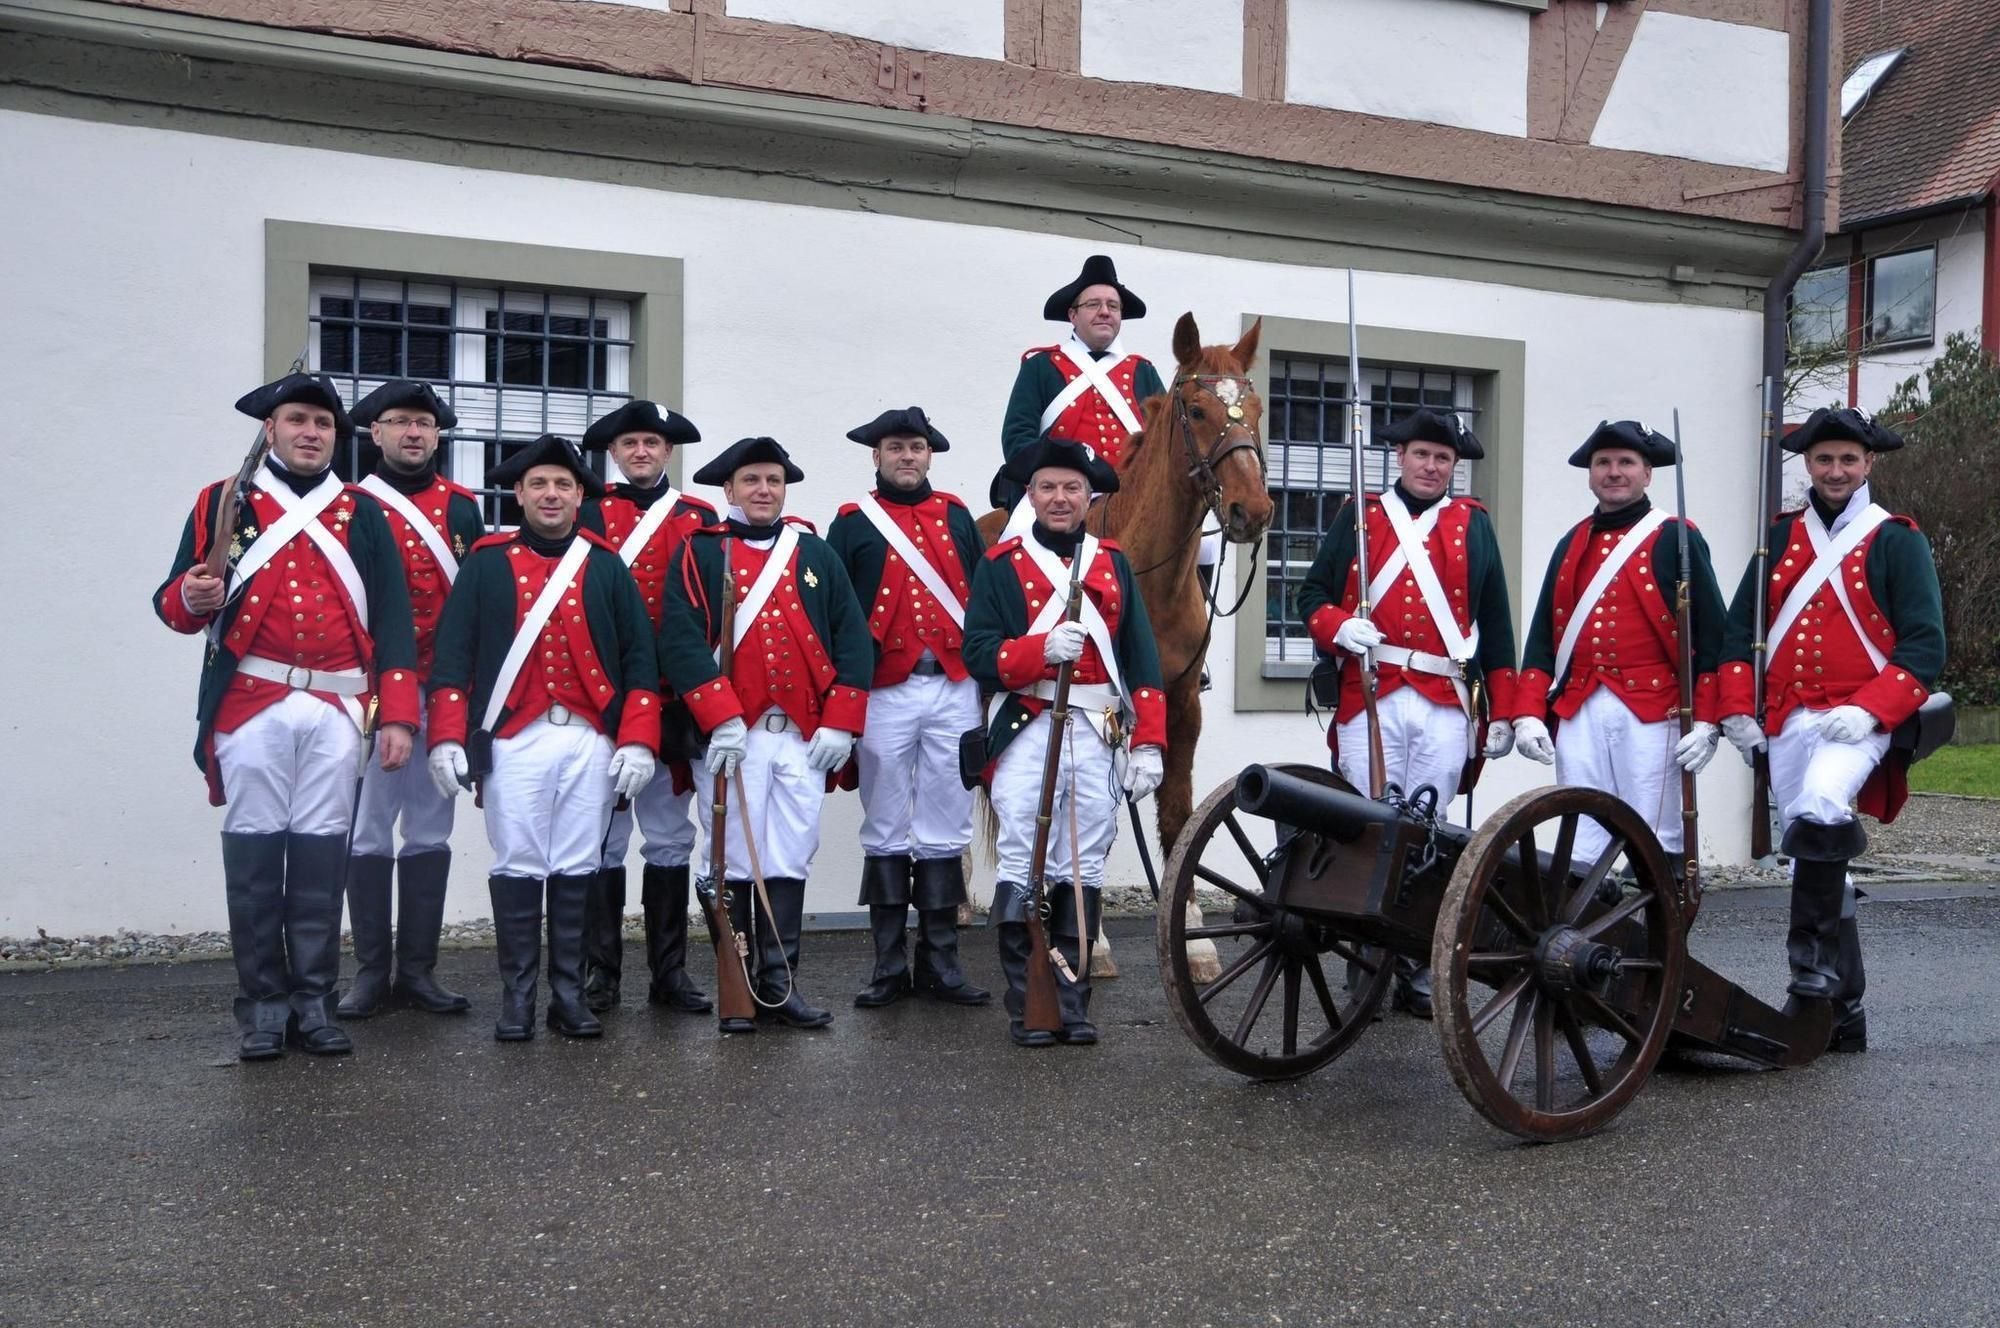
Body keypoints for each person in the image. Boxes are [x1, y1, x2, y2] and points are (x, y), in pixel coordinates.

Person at [154, 372, 420, 1060]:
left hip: (336, 705)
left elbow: (393, 619)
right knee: (255, 850)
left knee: (321, 853)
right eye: (298, 420)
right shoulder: (223, 501)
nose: (311, 433)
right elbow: (175, 607)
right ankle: (263, 1010)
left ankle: (314, 1002)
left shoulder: (360, 512)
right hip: (253, 701)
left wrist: (396, 714)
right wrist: (194, 591)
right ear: (269, 430)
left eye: (323, 424)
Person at [1718, 407, 1945, 1054]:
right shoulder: (1779, 538)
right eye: (1824, 460)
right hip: (1789, 715)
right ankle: (1846, 1013)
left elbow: (1924, 646)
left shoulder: (1896, 540)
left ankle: (1810, 985)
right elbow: (1740, 632)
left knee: (1820, 805)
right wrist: (1738, 706)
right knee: (1810, 853)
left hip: (1857, 720)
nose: (1837, 471)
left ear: (1869, 463)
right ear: (1807, 466)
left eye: (1849, 459)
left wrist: (1873, 710)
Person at [424, 434, 662, 1041]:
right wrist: (448, 736)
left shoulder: (604, 563)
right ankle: (517, 999)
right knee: (519, 863)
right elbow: (453, 655)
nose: (551, 495)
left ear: (580, 494)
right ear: (520, 494)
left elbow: (639, 659)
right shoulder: (486, 560)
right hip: (513, 740)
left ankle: (567, 997)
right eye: (538, 485)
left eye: (562, 485)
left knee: (579, 863)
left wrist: (637, 739)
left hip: (589, 738)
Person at [1295, 406, 1518, 1018]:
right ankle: (1364, 964)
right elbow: (1309, 595)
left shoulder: (1473, 526)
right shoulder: (1361, 517)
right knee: (1367, 825)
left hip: (1446, 697)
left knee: (1429, 829)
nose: (1430, 465)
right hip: (1371, 688)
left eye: (1442, 458)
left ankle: (1416, 964)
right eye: (1421, 454)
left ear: (1454, 467)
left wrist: (1505, 710)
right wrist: (1340, 628)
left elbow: (1496, 624)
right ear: (1401, 457)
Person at [657, 437, 873, 1033]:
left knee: (789, 855)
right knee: (728, 859)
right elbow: (678, 639)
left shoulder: (815, 553)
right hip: (734, 736)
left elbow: (851, 638)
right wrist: (719, 716)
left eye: (773, 481)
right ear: (728, 490)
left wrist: (841, 721)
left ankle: (780, 986)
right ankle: (738, 984)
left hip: (801, 736)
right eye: (751, 480)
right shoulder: (700, 553)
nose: (763, 490)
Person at [963, 433, 1167, 1049]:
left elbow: (1141, 659)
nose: (1060, 498)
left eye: (1072, 488)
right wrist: (1034, 651)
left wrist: (1149, 743)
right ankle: (1030, 1001)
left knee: (1081, 866)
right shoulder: (1001, 564)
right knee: (1025, 858)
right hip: (1028, 728)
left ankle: (1072, 999)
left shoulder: (1112, 561)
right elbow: (977, 652)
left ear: (1089, 497)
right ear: (1031, 495)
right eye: (1048, 487)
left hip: (1098, 731)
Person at [825, 407, 991, 1009]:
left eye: (916, 447)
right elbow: (835, 615)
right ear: (876, 456)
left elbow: (984, 596)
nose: (906, 456)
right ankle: (888, 964)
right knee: (886, 818)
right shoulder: (850, 523)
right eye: (895, 447)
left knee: (948, 818)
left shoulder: (954, 514)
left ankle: (942, 962)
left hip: (952, 684)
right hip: (885, 689)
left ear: (929, 455)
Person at [1511, 420, 1727, 869]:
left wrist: (1708, 720)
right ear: (1590, 474)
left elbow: (1712, 639)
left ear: (1647, 473)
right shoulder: (1572, 542)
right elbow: (1542, 638)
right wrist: (1528, 713)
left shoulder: (1676, 536)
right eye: (1603, 463)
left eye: (1625, 462)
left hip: (1654, 710)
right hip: (1580, 707)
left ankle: (1660, 936)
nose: (1613, 472)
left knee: (1654, 835)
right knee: (1583, 833)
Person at [336, 379, 484, 1019]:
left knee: (430, 826)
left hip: (443, 690)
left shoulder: (462, 507)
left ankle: (418, 971)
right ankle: (371, 972)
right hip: (371, 690)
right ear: (376, 433)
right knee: (367, 827)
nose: (413, 434)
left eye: (424, 423)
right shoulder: (348, 505)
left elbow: (475, 605)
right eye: (399, 422)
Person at [575, 400, 716, 1016]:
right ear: (614, 452)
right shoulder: (586, 514)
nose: (641, 452)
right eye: (630, 442)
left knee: (667, 836)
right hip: (604, 696)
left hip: (674, 698)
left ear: (667, 452)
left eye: (652, 444)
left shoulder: (699, 516)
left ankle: (670, 974)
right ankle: (600, 972)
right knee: (604, 838)